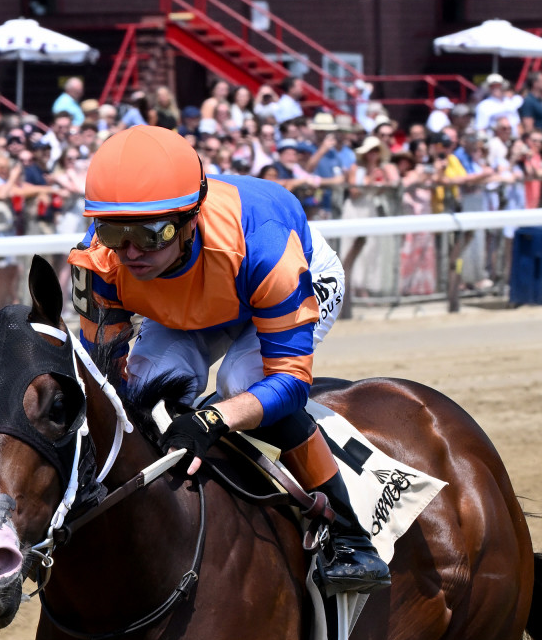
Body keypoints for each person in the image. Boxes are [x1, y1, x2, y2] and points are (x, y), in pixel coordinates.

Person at [68, 126, 388, 593]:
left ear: (191, 218)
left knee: (241, 382)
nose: (131, 251)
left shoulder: (267, 248)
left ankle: (350, 536)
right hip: (195, 296)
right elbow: (106, 381)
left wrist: (212, 419)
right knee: (146, 384)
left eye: (152, 233)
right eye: (114, 231)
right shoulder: (99, 258)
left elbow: (289, 383)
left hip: (281, 272)